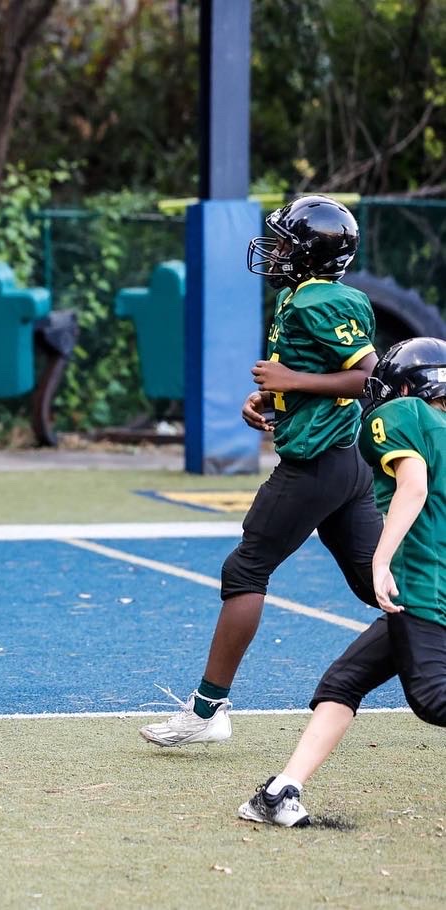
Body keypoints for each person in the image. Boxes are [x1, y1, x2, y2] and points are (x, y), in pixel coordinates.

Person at [142, 195, 382, 747]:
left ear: (308, 252)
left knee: (245, 571)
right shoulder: (312, 297)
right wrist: (274, 401)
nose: (273, 251)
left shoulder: (316, 302)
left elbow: (371, 379)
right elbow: (320, 373)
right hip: (345, 463)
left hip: (317, 466)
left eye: (284, 243)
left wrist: (293, 383)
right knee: (380, 584)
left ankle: (207, 712)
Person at [240, 337, 446, 826]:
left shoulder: (400, 417)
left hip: (420, 585)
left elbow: (413, 483)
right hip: (433, 580)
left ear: (401, 387)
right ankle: (280, 791)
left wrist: (381, 558)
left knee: (434, 700)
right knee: (343, 681)